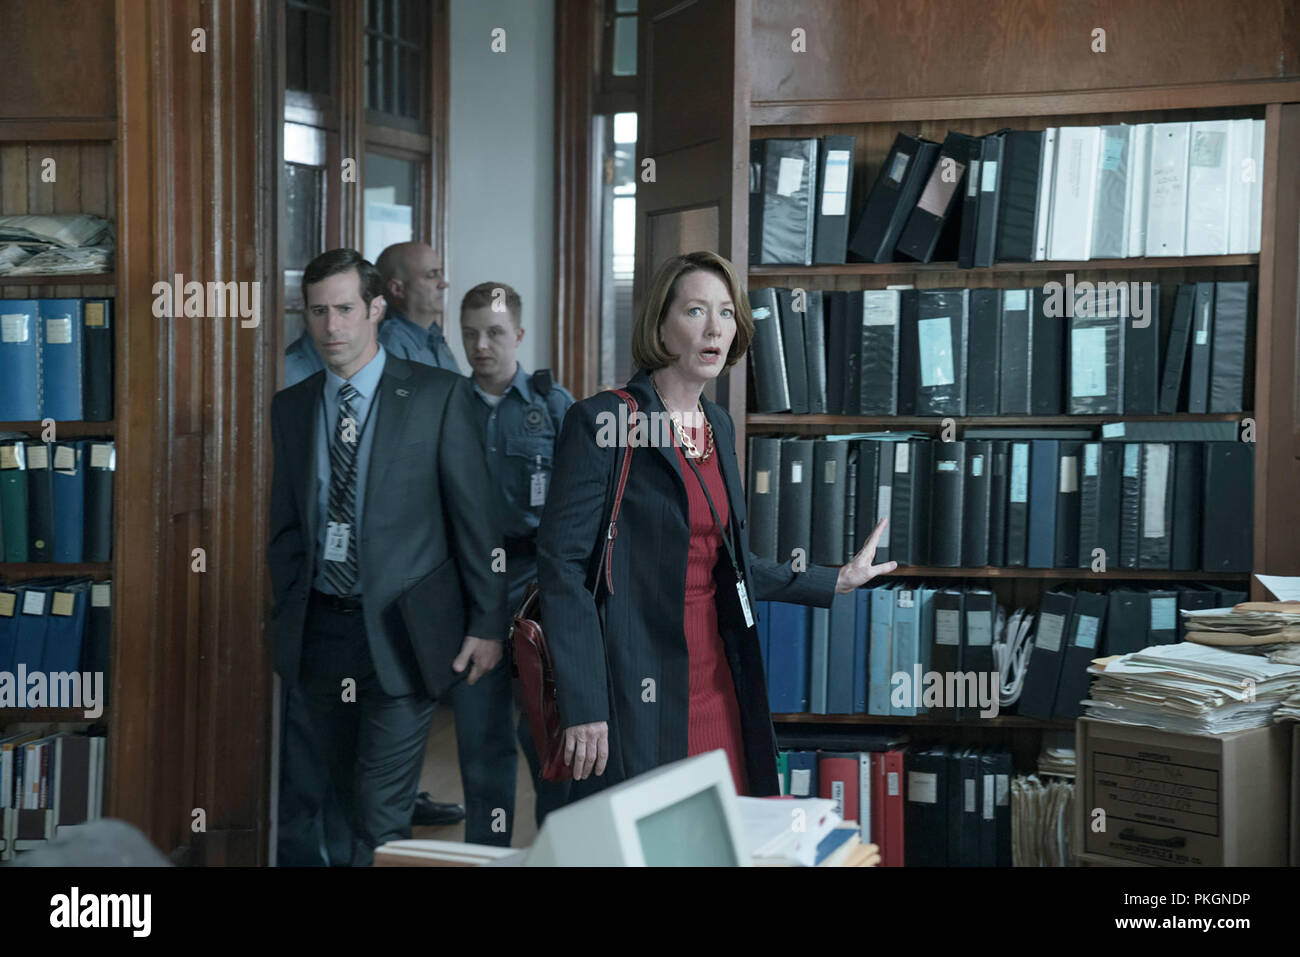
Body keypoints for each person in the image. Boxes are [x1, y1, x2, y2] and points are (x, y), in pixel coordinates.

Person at [536, 251, 897, 800]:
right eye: (695, 311)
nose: (714, 329)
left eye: (726, 313)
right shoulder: (604, 421)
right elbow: (562, 570)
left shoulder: (718, 424)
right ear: (661, 325)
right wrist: (586, 704)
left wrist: (835, 579)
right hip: (636, 683)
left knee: (726, 830)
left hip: (719, 673)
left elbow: (729, 564)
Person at [268, 248, 507, 865]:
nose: (332, 327)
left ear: (376, 308)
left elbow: (475, 522)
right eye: (318, 312)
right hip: (319, 631)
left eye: (345, 309)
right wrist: (288, 604)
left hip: (403, 633)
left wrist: (487, 623)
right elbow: (287, 526)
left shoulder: (438, 396)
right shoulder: (291, 408)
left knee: (379, 811)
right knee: (324, 801)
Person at [459, 281, 575, 834]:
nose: (483, 344)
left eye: (496, 333)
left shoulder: (554, 406)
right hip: (470, 587)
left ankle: (557, 849)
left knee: (546, 736)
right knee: (480, 741)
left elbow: (586, 504)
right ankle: (489, 850)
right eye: (472, 333)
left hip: (536, 587)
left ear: (519, 336)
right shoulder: (446, 406)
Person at [375, 242, 461, 371]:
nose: (443, 284)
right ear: (397, 289)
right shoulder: (389, 346)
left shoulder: (435, 336)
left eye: (441, 273)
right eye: (431, 275)